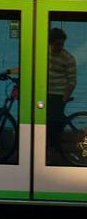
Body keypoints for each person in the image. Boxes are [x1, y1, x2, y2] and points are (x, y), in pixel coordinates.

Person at [47, 27, 77, 160]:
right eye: (57, 44)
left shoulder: (68, 58)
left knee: (53, 122)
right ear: (50, 42)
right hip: (43, 93)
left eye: (62, 44)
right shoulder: (43, 53)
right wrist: (9, 71)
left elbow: (72, 81)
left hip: (58, 94)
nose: (60, 47)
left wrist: (64, 98)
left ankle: (54, 148)